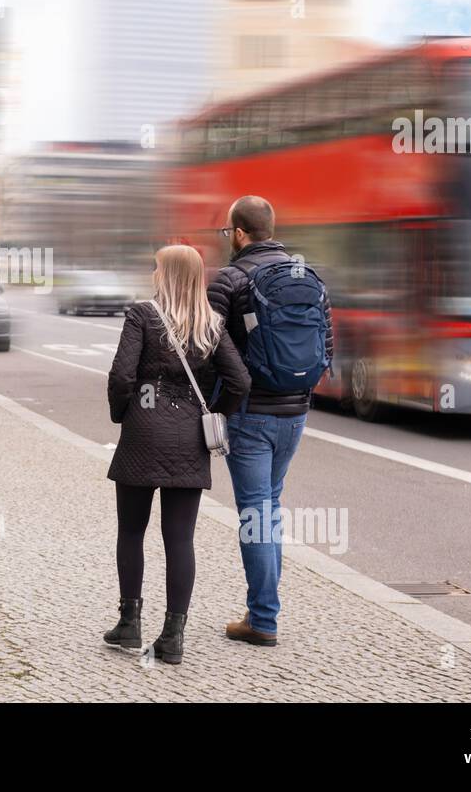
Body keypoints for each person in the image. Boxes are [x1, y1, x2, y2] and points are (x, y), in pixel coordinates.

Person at [104, 244, 250, 664]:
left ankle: (129, 625)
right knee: (180, 538)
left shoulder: (142, 315)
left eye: (156, 267)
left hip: (142, 435)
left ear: (164, 274)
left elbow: (121, 376)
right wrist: (215, 413)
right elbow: (240, 380)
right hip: (189, 438)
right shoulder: (212, 323)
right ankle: (172, 637)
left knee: (131, 532)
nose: (152, 272)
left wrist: (123, 416)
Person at [206, 195, 333, 646]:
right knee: (269, 509)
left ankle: (263, 619)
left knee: (256, 512)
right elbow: (326, 346)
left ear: (240, 233)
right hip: (295, 413)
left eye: (228, 232)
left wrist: (216, 402)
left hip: (250, 414)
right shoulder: (309, 277)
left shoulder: (230, 278)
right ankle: (261, 611)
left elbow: (207, 347)